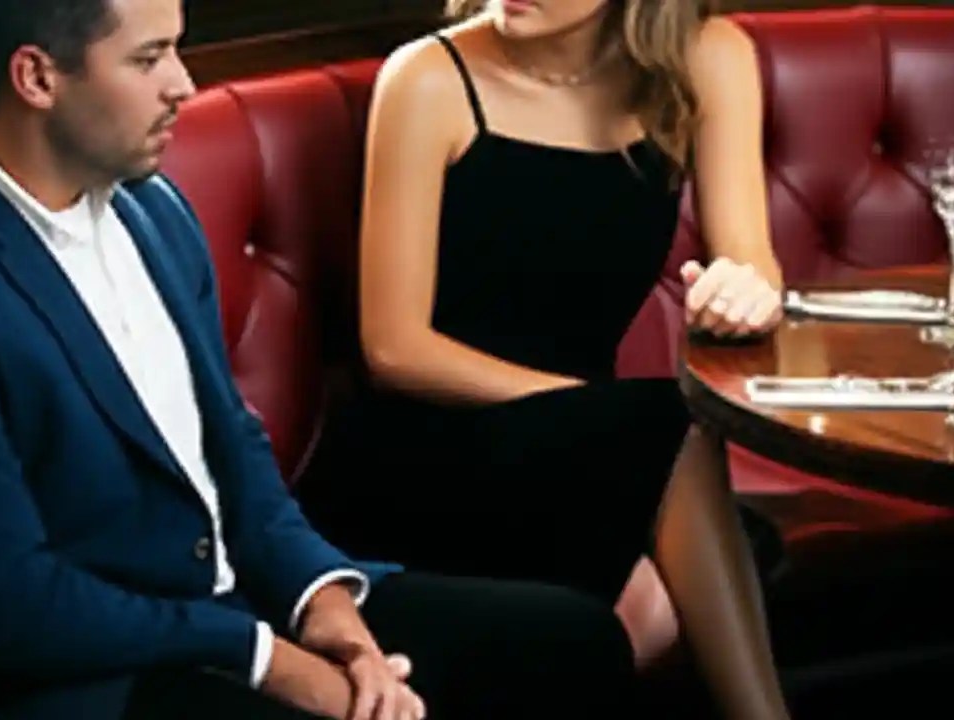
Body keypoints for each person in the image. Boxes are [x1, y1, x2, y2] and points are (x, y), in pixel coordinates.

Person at [0, 0, 645, 718]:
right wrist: (269, 658)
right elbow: (9, 610)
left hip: (238, 608)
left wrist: (331, 608)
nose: (185, 84)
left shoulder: (152, 207)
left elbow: (236, 459)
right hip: (98, 682)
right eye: (150, 57)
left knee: (573, 644)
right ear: (37, 77)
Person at [294, 0, 793, 719]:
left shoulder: (710, 58)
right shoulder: (430, 79)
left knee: (696, 546)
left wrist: (747, 293)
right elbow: (395, 349)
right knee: (674, 430)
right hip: (423, 458)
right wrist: (593, 413)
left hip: (577, 456)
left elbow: (754, 265)